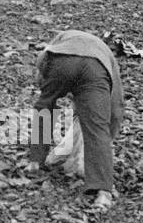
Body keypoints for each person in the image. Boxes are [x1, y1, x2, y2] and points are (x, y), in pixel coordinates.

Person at [28, 29, 125, 210]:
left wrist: (47, 90)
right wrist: (108, 134)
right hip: (95, 69)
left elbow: (44, 59)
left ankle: (35, 162)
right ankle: (103, 193)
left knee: (45, 107)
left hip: (62, 62)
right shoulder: (106, 57)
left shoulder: (64, 38)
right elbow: (116, 107)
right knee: (97, 129)